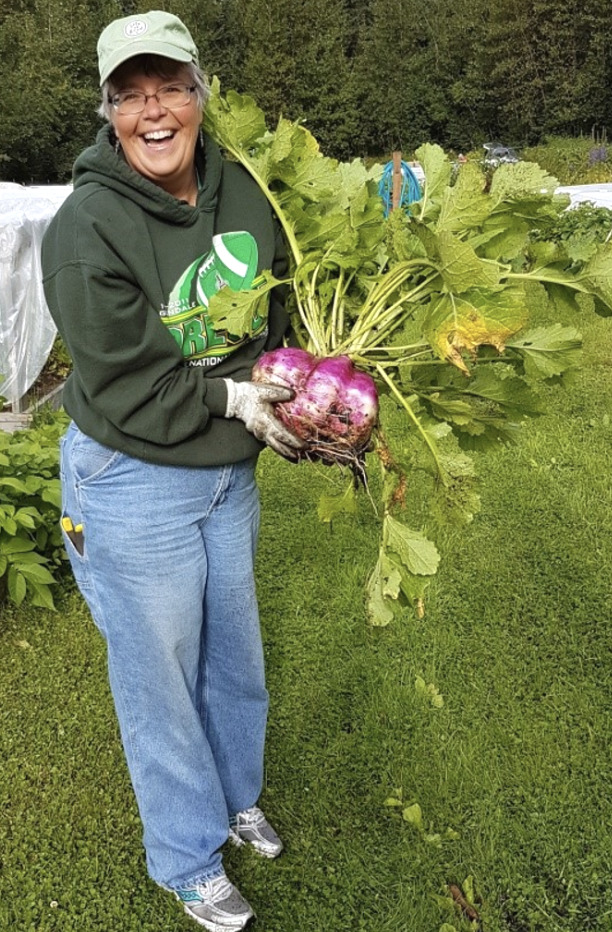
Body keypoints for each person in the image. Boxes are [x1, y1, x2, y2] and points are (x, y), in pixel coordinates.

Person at [41, 10, 304, 931]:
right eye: (131, 95)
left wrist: (308, 383)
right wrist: (239, 403)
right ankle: (186, 855)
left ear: (200, 94)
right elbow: (133, 382)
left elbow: (280, 309)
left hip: (228, 476)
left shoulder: (248, 190)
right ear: (109, 111)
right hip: (132, 478)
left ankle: (235, 797)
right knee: (159, 675)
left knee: (234, 656)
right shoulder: (87, 227)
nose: (154, 113)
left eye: (170, 89)